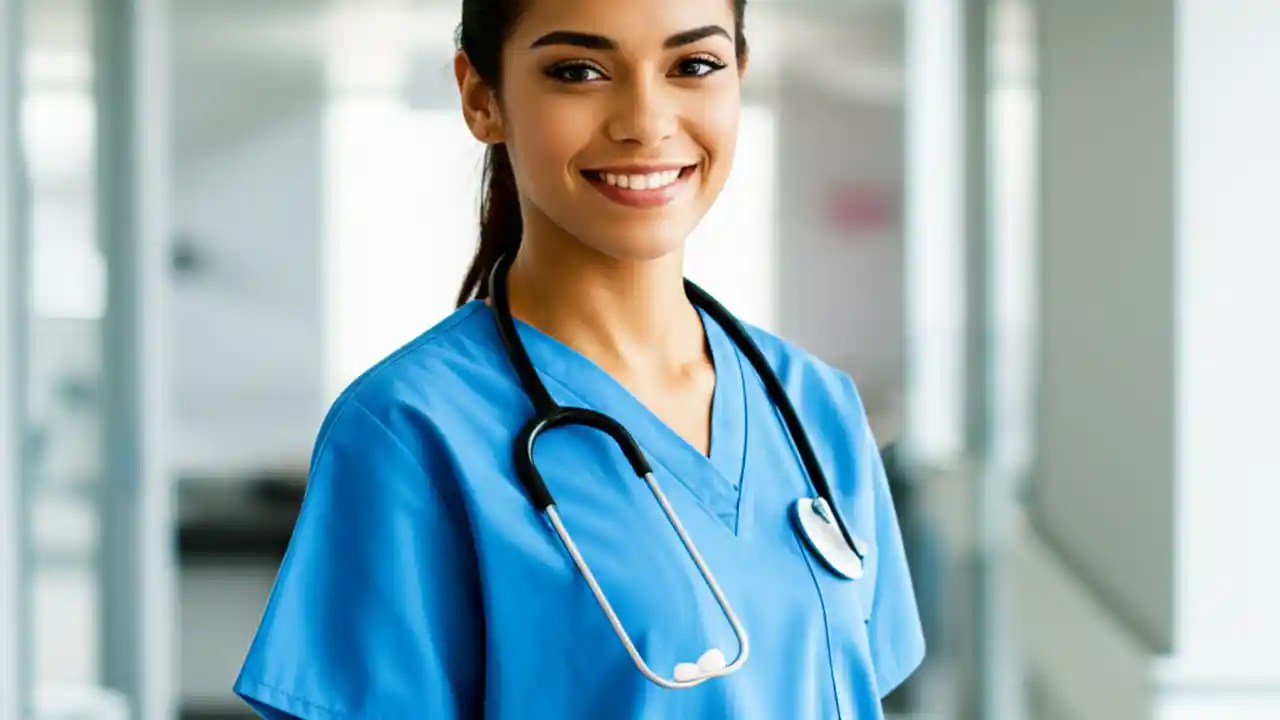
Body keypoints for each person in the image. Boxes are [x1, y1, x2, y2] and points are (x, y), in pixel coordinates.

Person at [233, 0, 925, 717]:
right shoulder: (412, 431)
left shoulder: (814, 406)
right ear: (481, 98)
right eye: (579, 71)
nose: (646, 121)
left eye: (694, 66)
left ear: (738, 79)